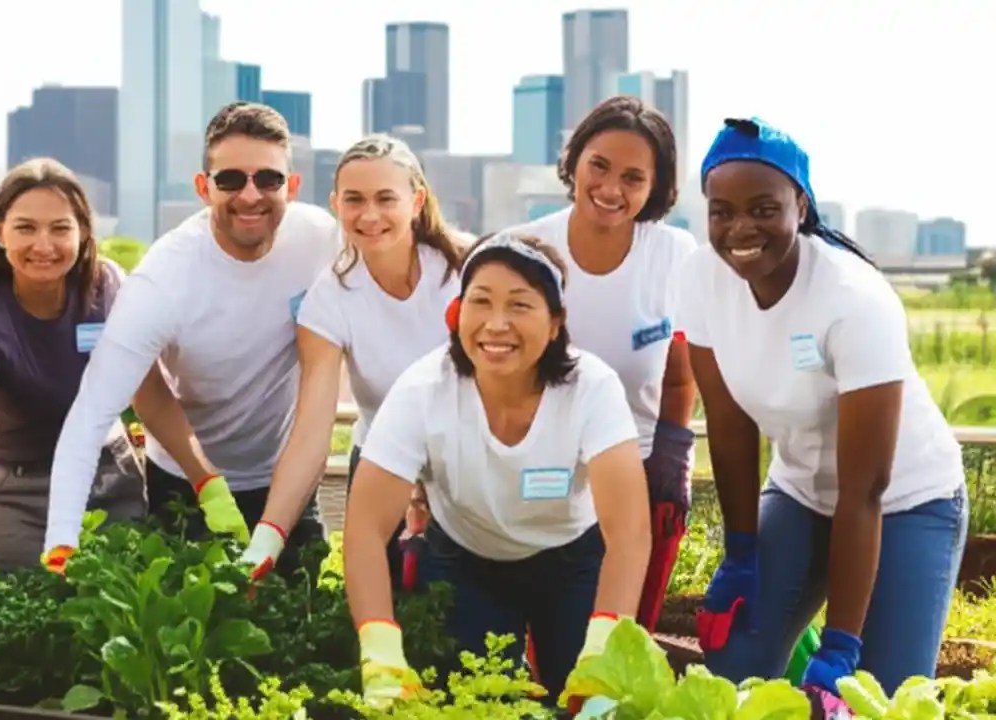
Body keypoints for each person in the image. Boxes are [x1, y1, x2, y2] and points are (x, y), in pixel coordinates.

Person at [679, 117, 968, 703]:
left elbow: (866, 489)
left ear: (801, 207)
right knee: (732, 663)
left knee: (872, 699)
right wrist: (740, 555)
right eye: (721, 210)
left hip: (906, 502)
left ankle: (827, 649)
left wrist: (842, 643)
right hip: (802, 491)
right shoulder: (700, 277)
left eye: (763, 208)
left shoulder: (852, 299)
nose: (740, 227)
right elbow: (730, 425)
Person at [342, 233, 652, 708]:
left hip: (572, 561)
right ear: (458, 313)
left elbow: (628, 531)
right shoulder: (424, 389)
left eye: (521, 305)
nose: (496, 324)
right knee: (484, 704)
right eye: (480, 302)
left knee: (589, 701)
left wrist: (603, 649)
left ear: (555, 323)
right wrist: (380, 653)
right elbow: (365, 527)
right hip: (466, 560)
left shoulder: (591, 388)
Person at [41, 102, 341, 572]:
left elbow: (406, 255)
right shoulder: (165, 278)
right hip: (183, 480)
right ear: (203, 188)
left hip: (289, 480)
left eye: (268, 179)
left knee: (300, 625)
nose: (250, 196)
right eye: (229, 180)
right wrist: (61, 539)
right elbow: (91, 413)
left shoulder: (321, 239)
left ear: (293, 186)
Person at [500, 95, 698, 632]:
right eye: (600, 167)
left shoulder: (676, 257)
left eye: (634, 178)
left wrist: (671, 455)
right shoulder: (522, 250)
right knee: (547, 647)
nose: (612, 189)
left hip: (639, 475)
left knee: (620, 642)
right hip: (541, 477)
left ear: (655, 186)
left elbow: (682, 375)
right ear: (574, 161)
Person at [239, 133, 461, 583]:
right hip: (382, 465)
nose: (370, 215)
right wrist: (267, 538)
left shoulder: (467, 271)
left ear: (416, 201)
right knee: (386, 616)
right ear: (336, 204)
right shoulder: (330, 297)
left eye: (386, 198)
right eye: (355, 200)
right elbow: (310, 434)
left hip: (466, 465)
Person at [0, 158, 146, 592]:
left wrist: (205, 480)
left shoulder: (108, 289)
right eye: (26, 228)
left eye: (60, 228)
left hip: (108, 481)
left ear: (82, 233)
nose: (43, 244)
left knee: (117, 608)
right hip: (20, 492)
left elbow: (153, 389)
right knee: (30, 608)